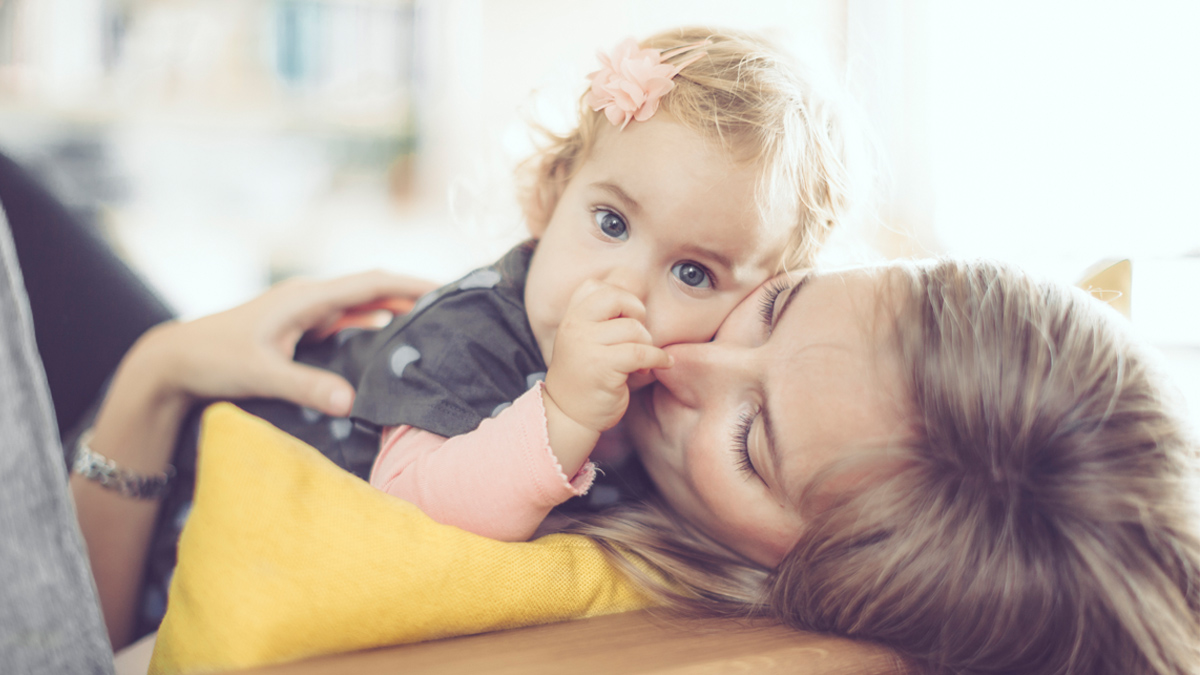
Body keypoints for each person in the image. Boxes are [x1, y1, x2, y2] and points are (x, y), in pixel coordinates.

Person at [3, 147, 1198, 673]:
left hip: (140, 462)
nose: (684, 362)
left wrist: (155, 381)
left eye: (751, 441)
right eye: (776, 304)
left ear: (828, 577)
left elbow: (86, 645)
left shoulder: (596, 556)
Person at [232, 26, 867, 545]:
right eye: (611, 223)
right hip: (203, 514)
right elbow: (402, 513)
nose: (623, 288)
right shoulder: (467, 335)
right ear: (550, 192)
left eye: (693, 274)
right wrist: (560, 414)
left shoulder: (670, 413)